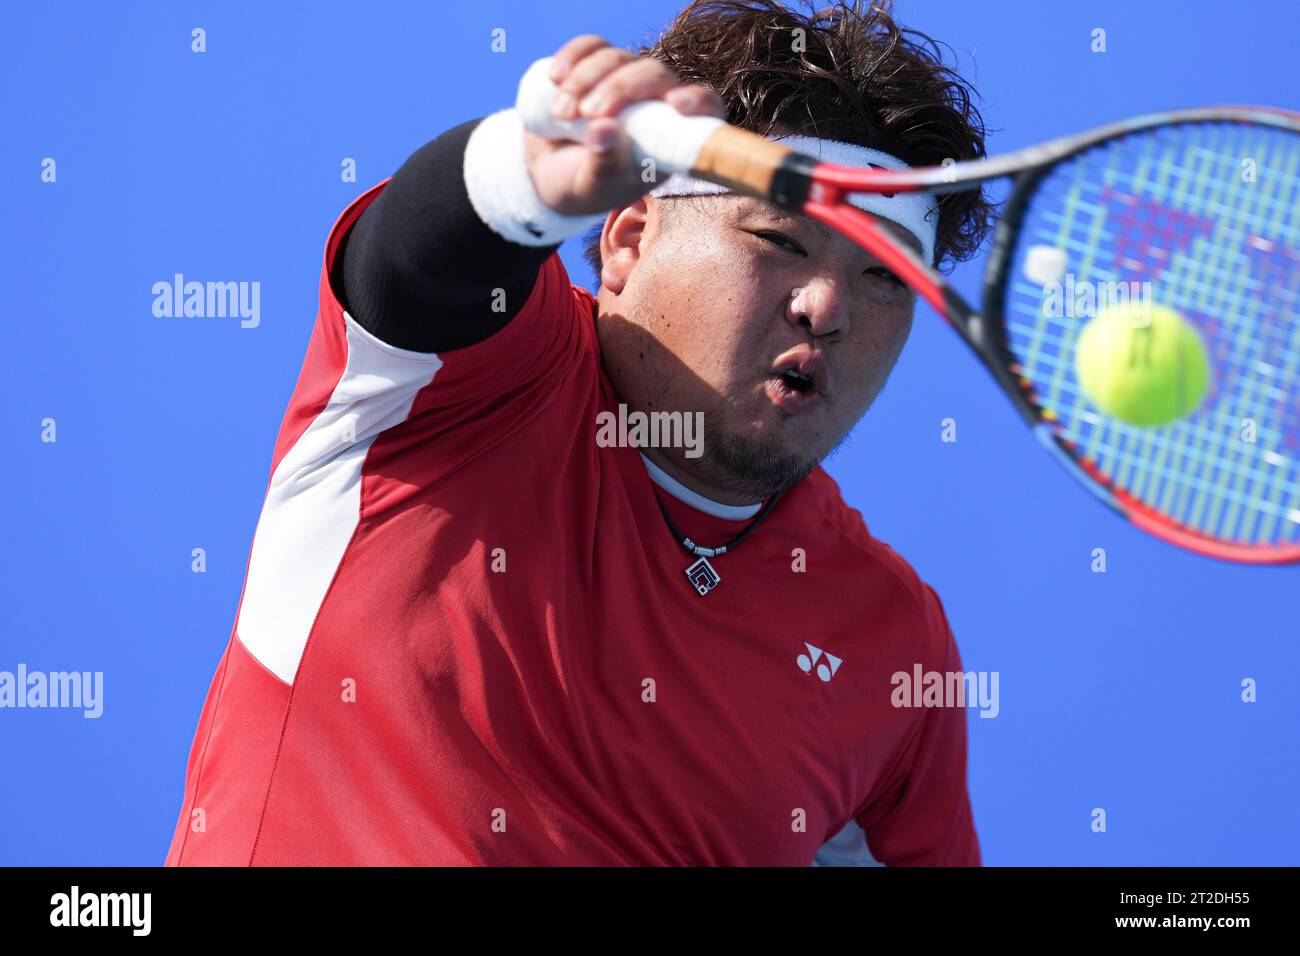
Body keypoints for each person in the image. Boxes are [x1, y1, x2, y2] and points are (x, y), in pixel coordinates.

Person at [165, 0, 994, 866]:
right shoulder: (473, 380)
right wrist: (513, 181)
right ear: (630, 239)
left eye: (883, 277)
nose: (827, 308)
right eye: (779, 240)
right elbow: (412, 265)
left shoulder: (894, 642)